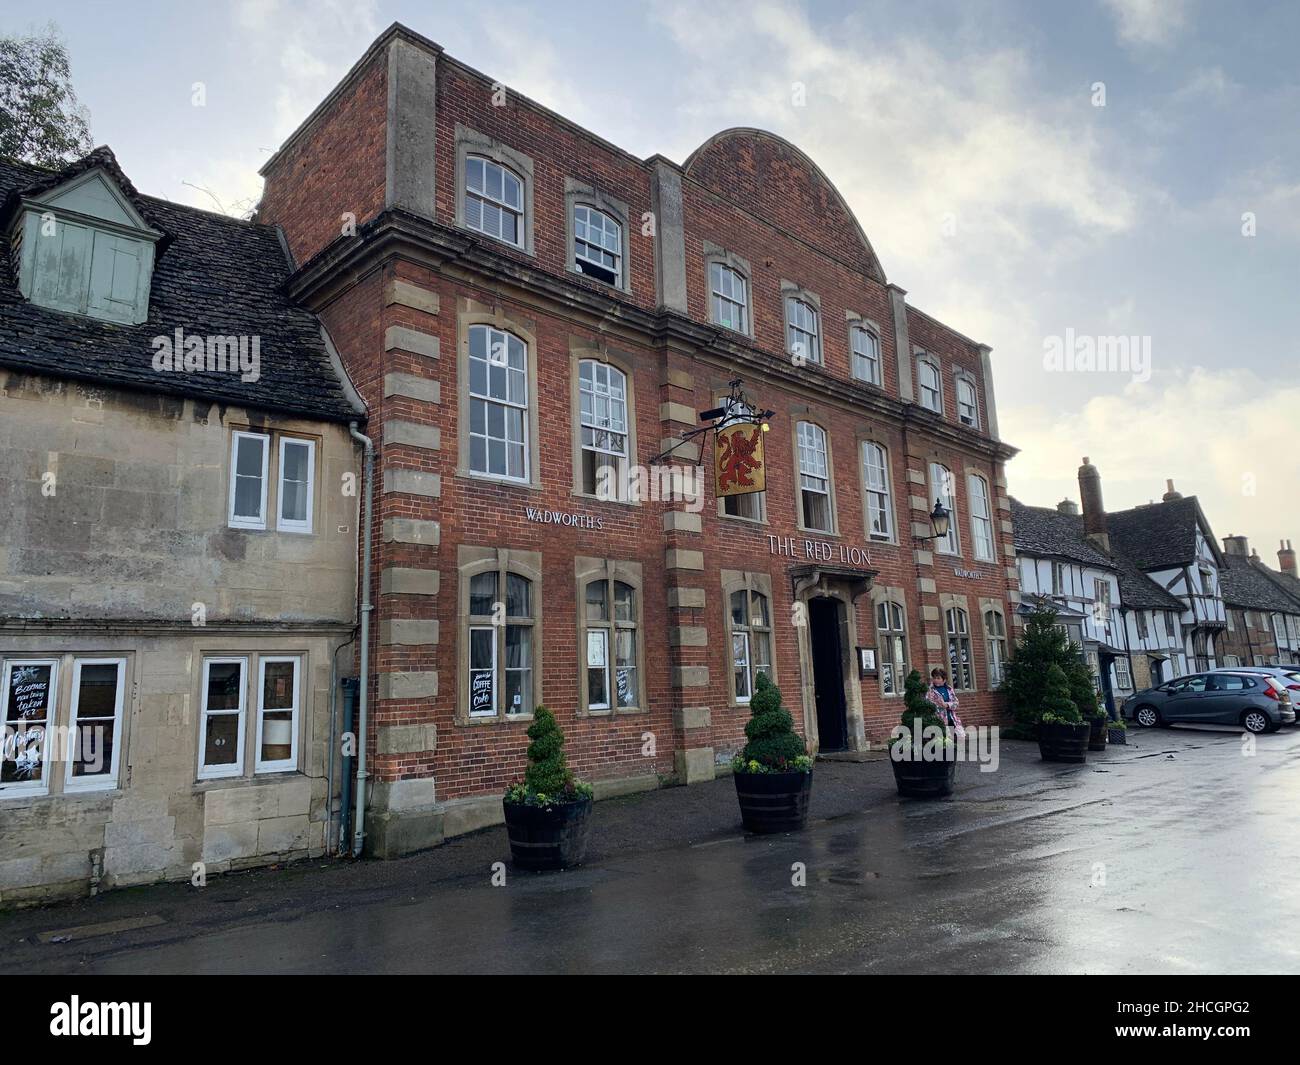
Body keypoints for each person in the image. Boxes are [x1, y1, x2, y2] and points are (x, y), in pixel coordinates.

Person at [926, 667, 965, 736]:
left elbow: (956, 703)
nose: (935, 680)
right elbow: (927, 704)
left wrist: (947, 705)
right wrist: (938, 706)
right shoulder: (930, 690)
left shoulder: (949, 689)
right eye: (934, 678)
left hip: (952, 719)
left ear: (944, 679)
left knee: (959, 738)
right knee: (944, 742)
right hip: (938, 721)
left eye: (938, 678)